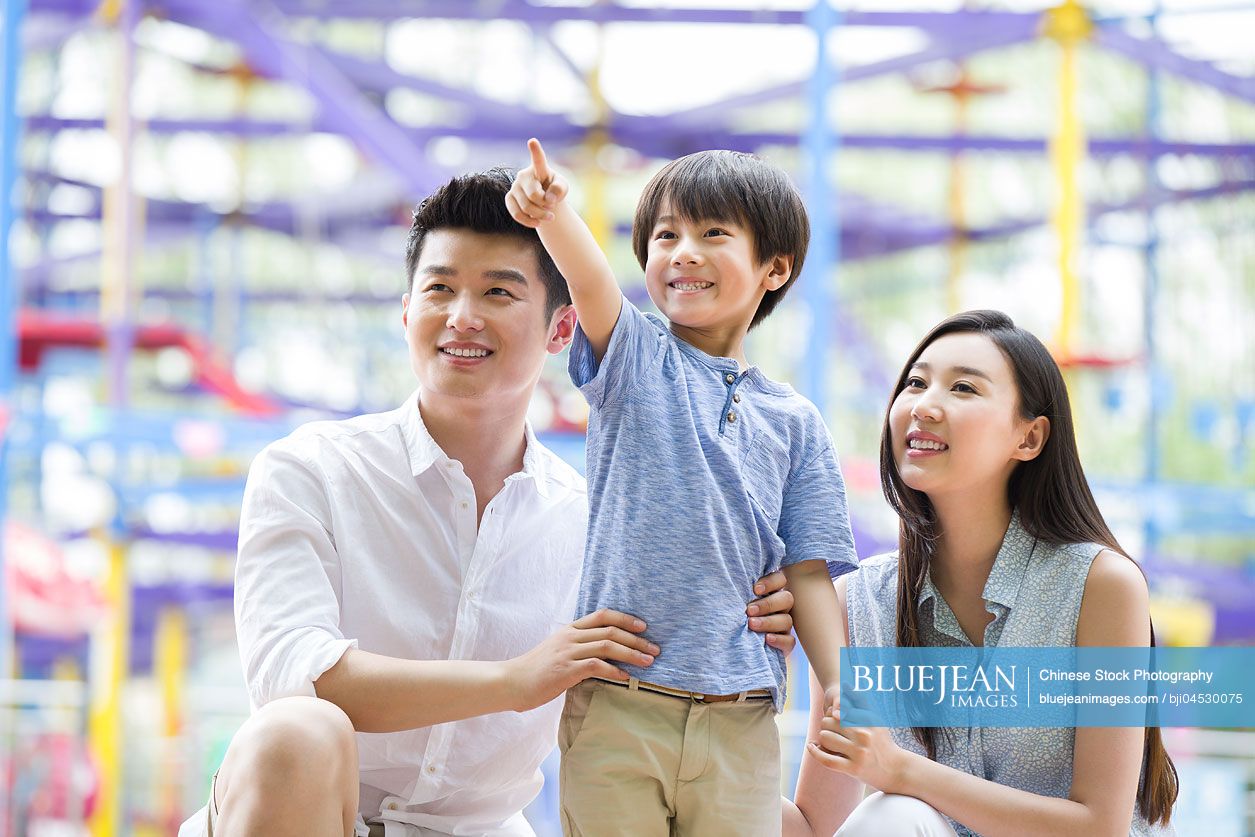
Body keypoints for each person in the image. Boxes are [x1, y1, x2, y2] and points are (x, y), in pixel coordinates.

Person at [177, 168, 799, 837]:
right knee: (295, 733)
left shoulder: (599, 526)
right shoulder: (309, 469)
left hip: (476, 826)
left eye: (497, 291)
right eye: (439, 289)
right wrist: (514, 679)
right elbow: (295, 678)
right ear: (407, 311)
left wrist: (756, 607)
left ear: (562, 330)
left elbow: (686, 672)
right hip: (307, 812)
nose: (462, 315)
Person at [507, 140, 859, 836]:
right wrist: (553, 216)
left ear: (774, 267)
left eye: (712, 233)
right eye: (665, 235)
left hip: (741, 715)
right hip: (617, 704)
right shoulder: (635, 359)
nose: (682, 251)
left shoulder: (795, 422)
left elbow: (810, 572)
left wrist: (838, 682)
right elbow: (591, 284)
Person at [786, 310, 1178, 837]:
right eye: (916, 383)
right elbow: (817, 825)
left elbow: (1098, 827)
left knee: (897, 811)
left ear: (1030, 438)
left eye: (963, 388)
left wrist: (901, 771)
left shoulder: (1101, 587)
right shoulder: (852, 602)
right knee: (891, 816)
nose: (923, 405)